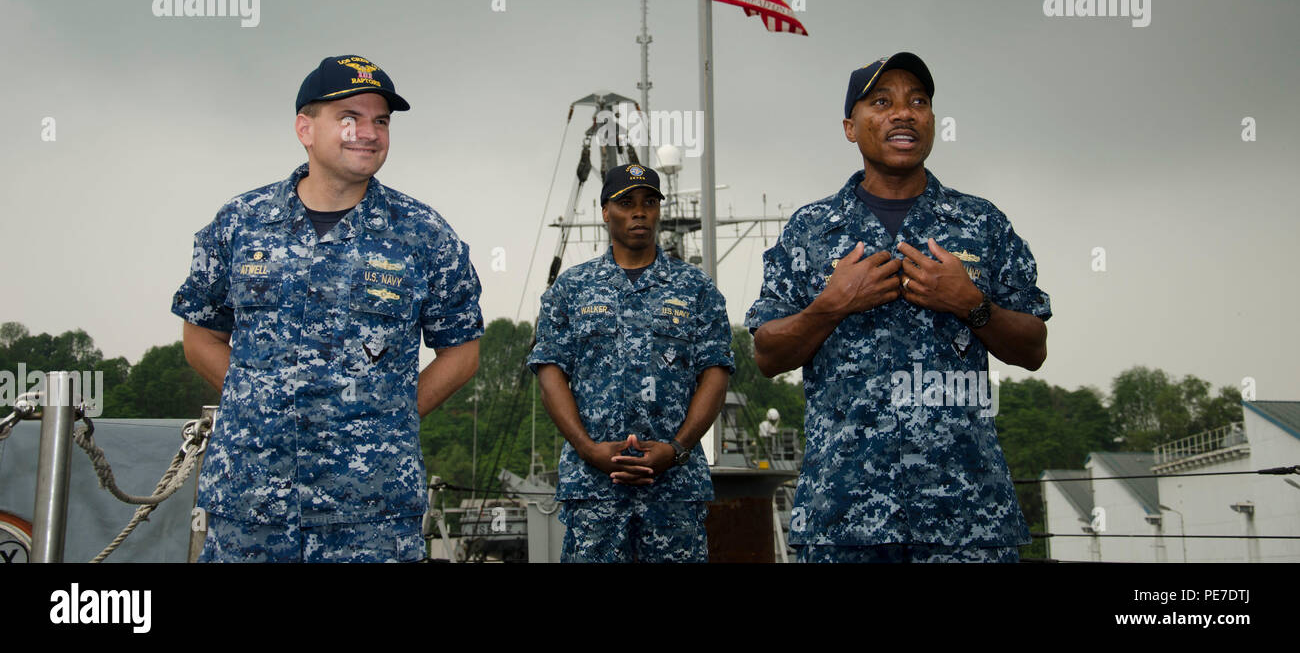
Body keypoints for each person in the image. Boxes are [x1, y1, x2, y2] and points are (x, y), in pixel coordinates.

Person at [174, 54, 483, 562]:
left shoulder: (424, 235)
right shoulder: (240, 224)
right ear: (305, 128)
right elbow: (201, 336)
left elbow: (462, 353)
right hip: (251, 503)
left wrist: (389, 419)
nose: (368, 132)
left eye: (380, 121)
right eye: (349, 118)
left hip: (371, 512)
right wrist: (262, 406)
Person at [745, 53, 1051, 563]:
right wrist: (832, 305)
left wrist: (972, 304)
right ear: (850, 127)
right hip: (845, 518)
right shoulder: (811, 230)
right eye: (881, 102)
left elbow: (1033, 349)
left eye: (919, 101)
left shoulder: (981, 224)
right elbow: (767, 354)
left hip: (967, 518)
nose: (903, 113)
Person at [528, 163, 734, 562]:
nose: (639, 212)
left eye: (649, 202)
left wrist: (676, 449)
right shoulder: (571, 289)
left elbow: (715, 373)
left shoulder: (696, 290)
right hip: (594, 489)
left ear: (659, 210)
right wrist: (589, 450)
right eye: (626, 203)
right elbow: (550, 372)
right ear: (605, 211)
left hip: (673, 490)